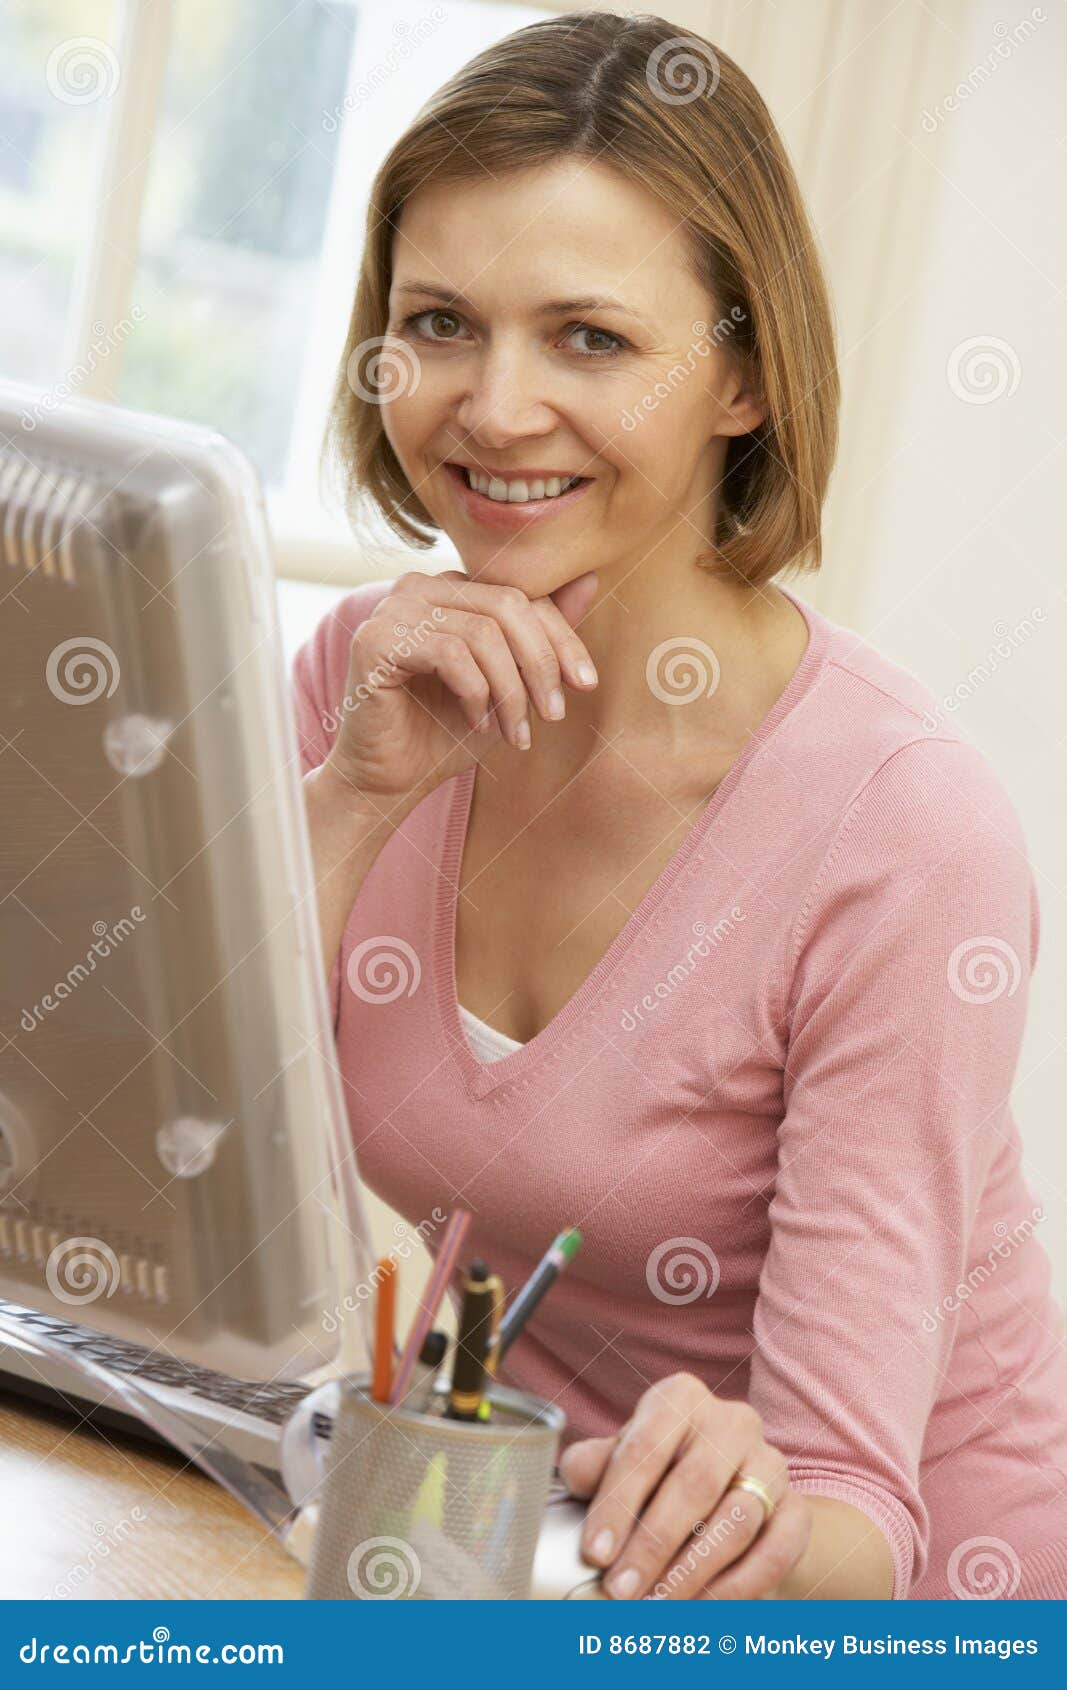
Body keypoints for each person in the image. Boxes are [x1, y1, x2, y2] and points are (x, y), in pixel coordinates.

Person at [294, 11, 1067, 1600]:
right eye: (440, 323)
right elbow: (151, 1170)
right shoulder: (367, 682)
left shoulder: (900, 830)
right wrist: (346, 804)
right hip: (533, 1564)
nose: (494, 410)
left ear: (743, 376)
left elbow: (857, 1515)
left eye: (590, 337)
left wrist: (756, 1496)